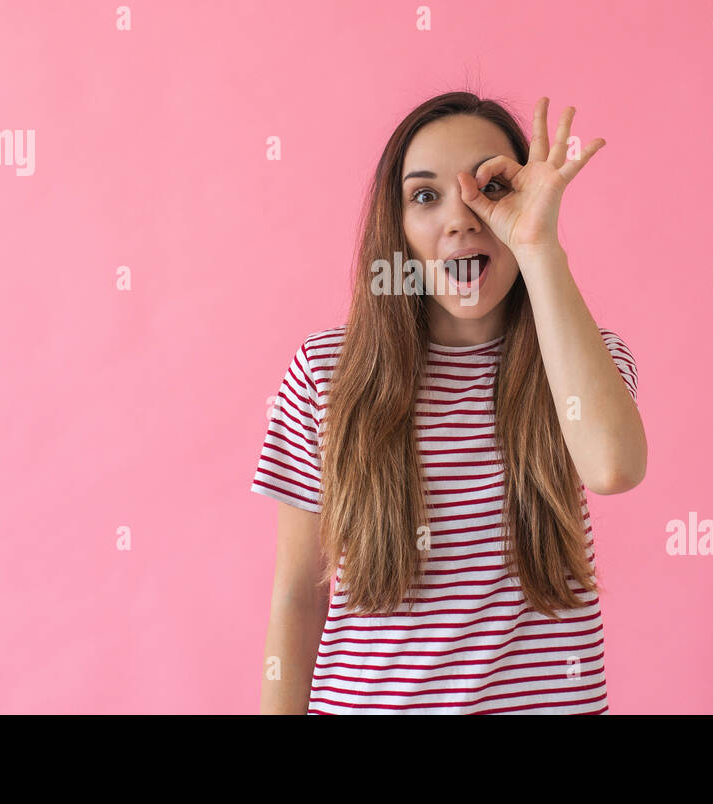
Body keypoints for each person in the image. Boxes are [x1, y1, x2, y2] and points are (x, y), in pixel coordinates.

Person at [253, 91, 647, 714]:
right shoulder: (327, 373)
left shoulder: (582, 359)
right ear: (399, 229)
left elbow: (613, 467)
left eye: (487, 189)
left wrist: (538, 244)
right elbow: (298, 598)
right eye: (425, 195)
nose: (459, 219)